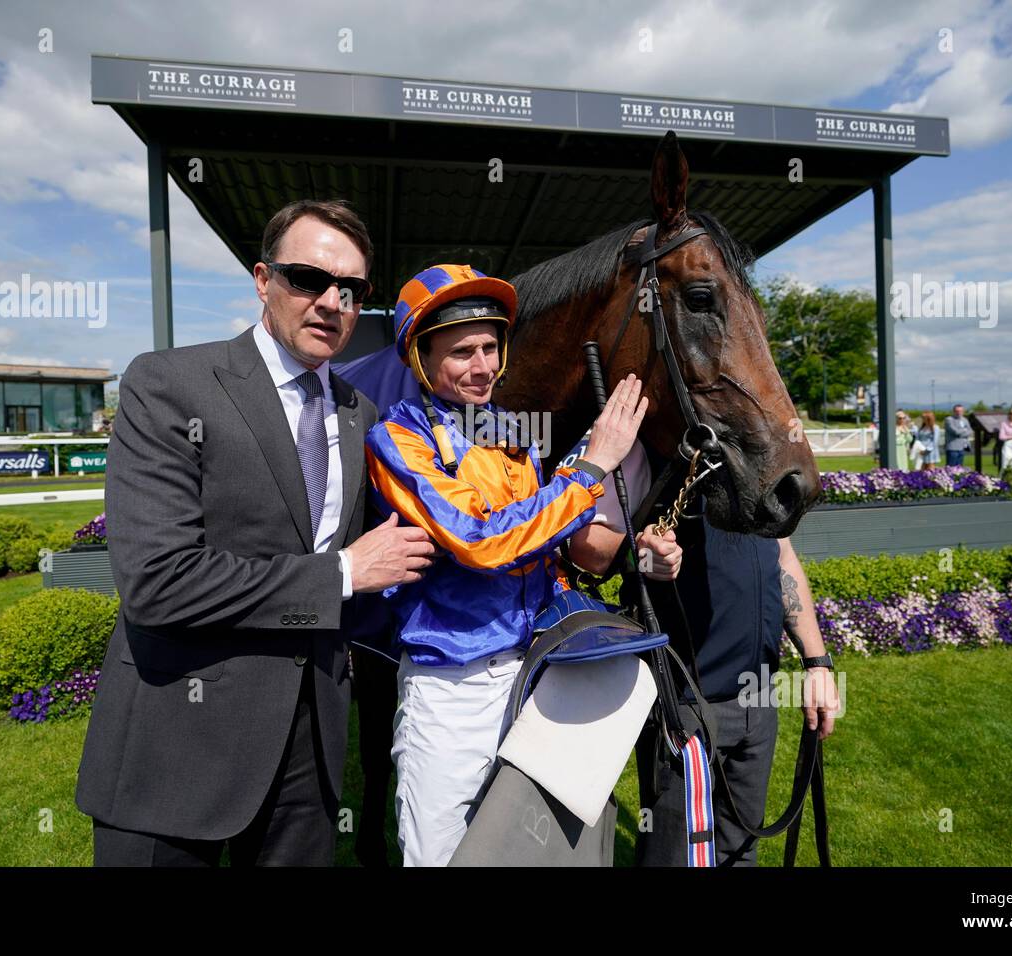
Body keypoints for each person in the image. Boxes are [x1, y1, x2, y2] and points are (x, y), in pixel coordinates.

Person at [75, 200, 436, 866]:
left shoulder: (364, 415)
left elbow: (410, 544)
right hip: (177, 737)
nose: (332, 302)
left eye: (352, 290)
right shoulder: (169, 383)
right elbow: (158, 582)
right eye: (309, 279)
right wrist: (342, 575)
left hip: (312, 743)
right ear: (263, 279)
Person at [363, 263, 649, 866]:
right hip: (449, 686)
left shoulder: (513, 431)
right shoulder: (398, 437)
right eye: (462, 351)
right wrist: (591, 470)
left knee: (520, 847)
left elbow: (538, 538)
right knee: (438, 856)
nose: (484, 366)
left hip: (530, 673)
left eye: (491, 347)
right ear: (419, 357)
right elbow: (484, 543)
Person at [564, 444, 840, 867]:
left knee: (740, 853)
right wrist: (638, 555)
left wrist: (817, 662)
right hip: (687, 705)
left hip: (758, 701)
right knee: (673, 856)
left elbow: (783, 557)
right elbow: (585, 545)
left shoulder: (758, 461)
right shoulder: (658, 453)